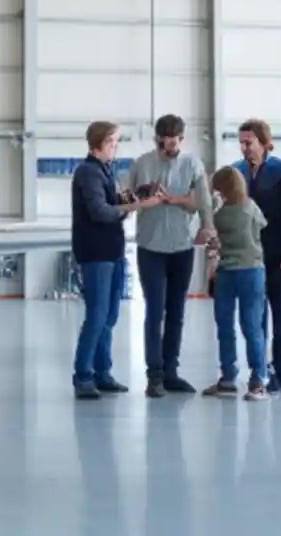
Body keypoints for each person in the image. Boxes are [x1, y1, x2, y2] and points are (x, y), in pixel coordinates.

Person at [120, 113, 214, 398]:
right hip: (150, 248)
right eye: (164, 141)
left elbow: (203, 201)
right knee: (154, 312)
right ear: (157, 139)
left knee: (177, 313)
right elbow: (124, 198)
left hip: (182, 248)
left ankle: (171, 372)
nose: (169, 146)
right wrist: (140, 200)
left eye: (174, 141)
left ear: (181, 139)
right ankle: (155, 376)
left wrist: (183, 205)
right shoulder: (141, 164)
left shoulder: (192, 164)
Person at [71, 121, 162, 400]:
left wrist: (132, 197)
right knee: (96, 316)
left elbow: (113, 205)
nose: (116, 146)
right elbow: (100, 211)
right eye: (112, 142)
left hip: (112, 251)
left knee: (109, 316)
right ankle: (83, 375)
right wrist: (137, 206)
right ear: (98, 143)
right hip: (96, 253)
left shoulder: (105, 171)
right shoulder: (88, 172)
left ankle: (102, 372)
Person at [232, 119, 281, 393]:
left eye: (249, 142)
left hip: (278, 255)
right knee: (254, 317)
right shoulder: (237, 172)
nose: (244, 147)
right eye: (241, 142)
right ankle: (259, 371)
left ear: (263, 142)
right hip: (250, 255)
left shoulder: (280, 170)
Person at [201, 166, 269, 401]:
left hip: (227, 274)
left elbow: (212, 245)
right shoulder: (252, 208)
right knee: (252, 327)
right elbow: (263, 230)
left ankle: (228, 378)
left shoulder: (219, 215)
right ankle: (258, 380)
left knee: (225, 327)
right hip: (252, 271)